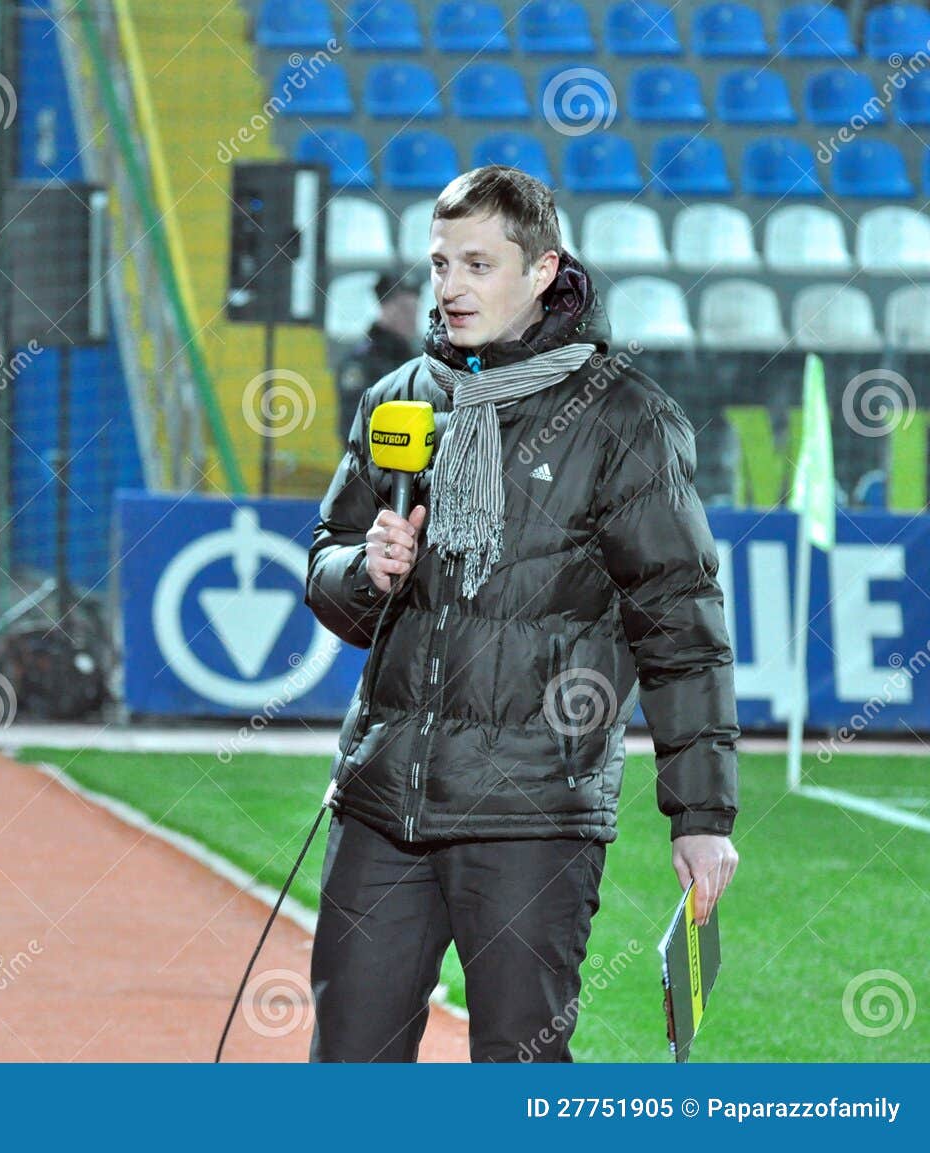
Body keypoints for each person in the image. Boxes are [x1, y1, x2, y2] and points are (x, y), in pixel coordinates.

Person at [304, 166, 740, 1062]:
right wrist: (365, 571)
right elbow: (328, 570)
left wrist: (702, 813)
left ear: (543, 270)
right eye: (440, 264)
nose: (451, 287)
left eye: (478, 264)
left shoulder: (624, 417)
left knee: (520, 1072)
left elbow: (680, 622)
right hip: (384, 801)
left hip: (532, 813)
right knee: (348, 1064)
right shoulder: (399, 400)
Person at [335, 265, 424, 439]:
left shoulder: (418, 360)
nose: (412, 318)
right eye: (404, 310)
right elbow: (355, 427)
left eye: (416, 310)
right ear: (384, 308)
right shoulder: (361, 363)